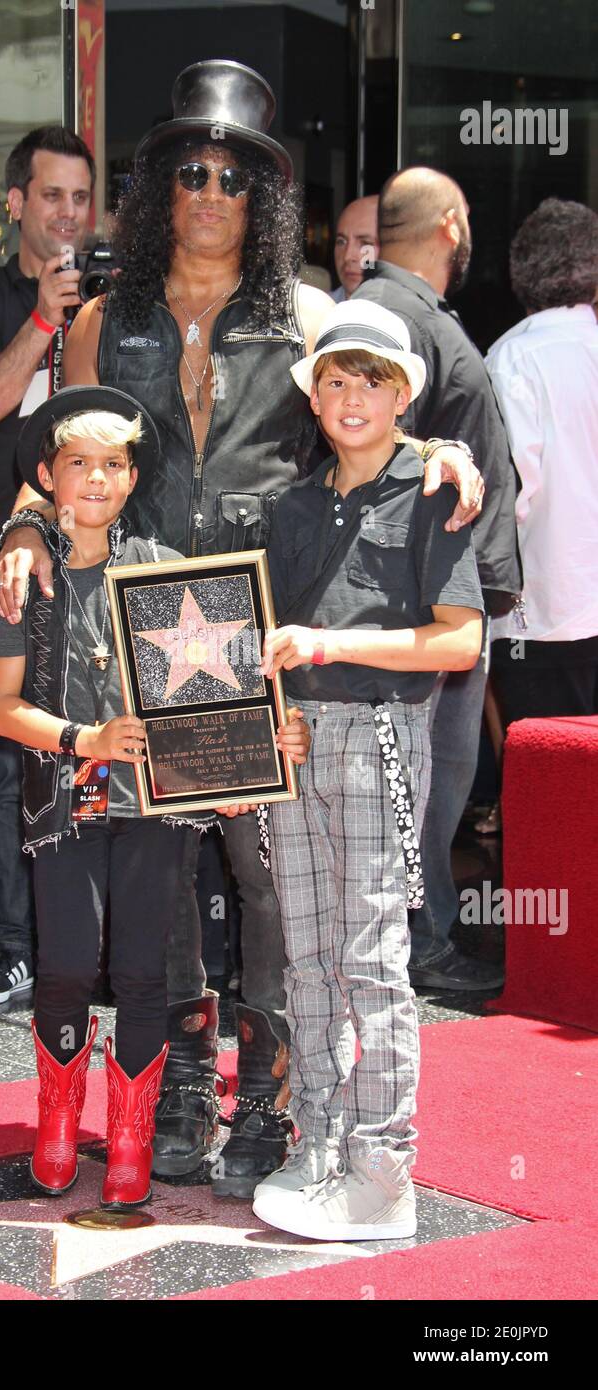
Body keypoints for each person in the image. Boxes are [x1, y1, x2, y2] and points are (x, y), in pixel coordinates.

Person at [0, 62, 483, 1195]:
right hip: (141, 632)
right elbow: (62, 455)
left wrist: (441, 458)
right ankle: (169, 1087)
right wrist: (24, 526)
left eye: (234, 175)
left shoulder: (314, 314)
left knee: (268, 880)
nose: (210, 190)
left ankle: (263, 1091)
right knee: (159, 873)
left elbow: (384, 421)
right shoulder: (104, 322)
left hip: (266, 639)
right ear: (162, 185)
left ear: (262, 196)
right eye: (191, 170)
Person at [0, 384, 309, 1203]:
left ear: (132, 478)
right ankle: (57, 1123)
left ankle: (128, 1136)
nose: (94, 478)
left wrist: (239, 769)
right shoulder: (22, 581)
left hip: (158, 810)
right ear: (48, 478)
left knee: (140, 975)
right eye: (77, 463)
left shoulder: (168, 576)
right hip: (63, 804)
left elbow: (220, 701)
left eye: (112, 464)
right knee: (61, 967)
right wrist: (81, 740)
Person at [252, 299, 483, 1239]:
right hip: (297, 745)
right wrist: (276, 719)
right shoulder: (291, 506)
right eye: (335, 379)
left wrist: (327, 642)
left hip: (379, 737)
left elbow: (459, 644)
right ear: (313, 397)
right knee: (303, 953)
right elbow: (262, 644)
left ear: (401, 397)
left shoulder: (433, 491)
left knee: (370, 960)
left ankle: (385, 1172)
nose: (352, 396)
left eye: (372, 380)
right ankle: (319, 1141)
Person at [354, 166, 521, 993]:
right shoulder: (393, 313)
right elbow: (371, 452)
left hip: (439, 595)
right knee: (422, 778)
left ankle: (424, 936)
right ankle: (418, 943)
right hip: (424, 601)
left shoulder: (406, 310)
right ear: (451, 225)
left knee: (435, 778)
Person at [0, 125, 96, 1007]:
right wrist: (42, 315)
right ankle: (11, 950)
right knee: (7, 759)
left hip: (107, 560)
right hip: (8, 563)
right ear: (15, 203)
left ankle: (94, 944)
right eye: (51, 196)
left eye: (80, 197)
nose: (68, 213)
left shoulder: (116, 301)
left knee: (107, 750)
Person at [486, 198, 598, 723]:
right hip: (573, 604)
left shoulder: (513, 357)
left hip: (545, 612)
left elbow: (513, 494)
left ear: (520, 274)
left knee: (550, 786)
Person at [331, 194, 379, 302]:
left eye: (365, 243)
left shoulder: (413, 315)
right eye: (341, 242)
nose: (347, 256)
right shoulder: (318, 315)